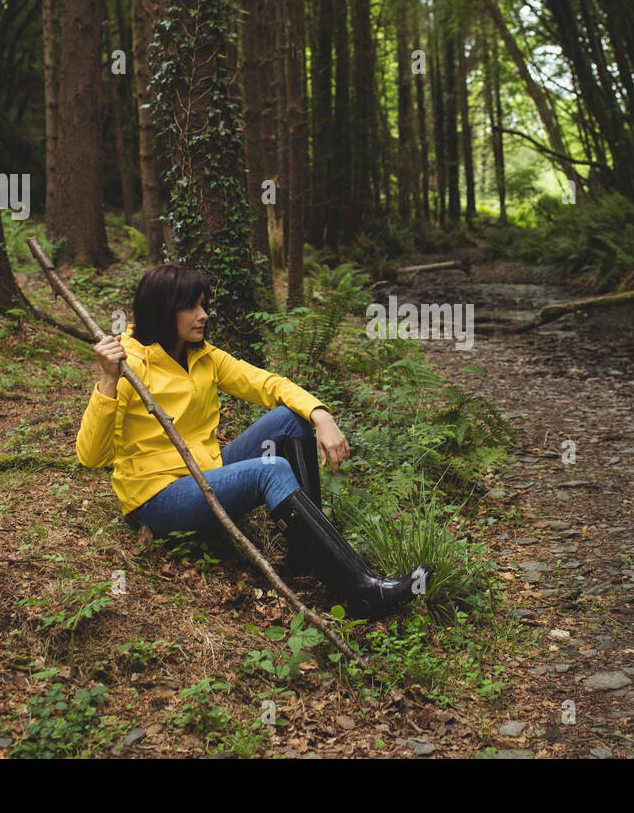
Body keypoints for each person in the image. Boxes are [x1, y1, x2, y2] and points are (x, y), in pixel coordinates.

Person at [74, 264, 429, 620]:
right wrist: (107, 380)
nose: (204, 315)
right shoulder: (128, 365)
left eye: (204, 304)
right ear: (165, 310)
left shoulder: (203, 357)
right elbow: (91, 456)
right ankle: (362, 590)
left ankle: (305, 554)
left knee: (292, 417)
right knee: (270, 470)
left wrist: (321, 414)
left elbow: (268, 384)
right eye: (193, 307)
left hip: (205, 474)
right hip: (157, 500)